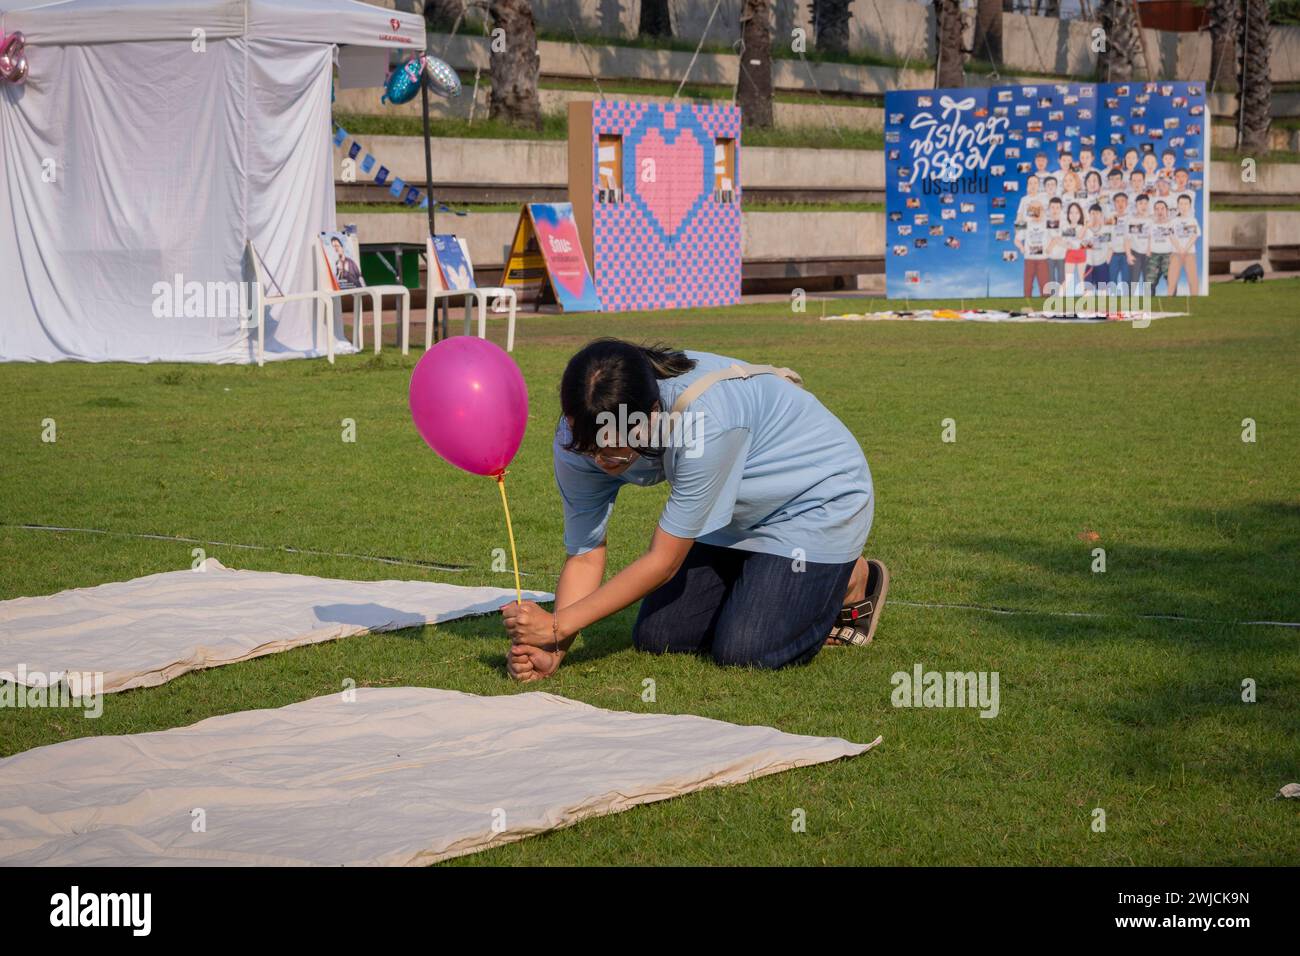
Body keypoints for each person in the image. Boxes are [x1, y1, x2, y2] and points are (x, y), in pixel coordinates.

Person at [502, 340, 887, 681]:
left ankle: (855, 578)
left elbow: (663, 562)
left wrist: (557, 624)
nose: (601, 460)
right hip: (734, 510)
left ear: (651, 414)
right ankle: (762, 572)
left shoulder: (702, 421)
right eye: (591, 448)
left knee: (747, 651)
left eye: (616, 448)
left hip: (814, 500)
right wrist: (553, 649)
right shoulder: (577, 437)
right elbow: (585, 554)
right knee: (659, 638)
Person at [1168, 193, 1200, 295]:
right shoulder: (1173, 221)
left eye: (1186, 204)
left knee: (1193, 280)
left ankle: (1195, 303)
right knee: (1172, 280)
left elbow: (1194, 236)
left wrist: (1185, 249)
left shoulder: (1193, 220)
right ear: (1178, 205)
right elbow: (1171, 236)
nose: (1183, 206)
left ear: (1190, 206)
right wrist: (1179, 249)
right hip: (1176, 254)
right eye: (1181, 204)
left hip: (1189, 253)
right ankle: (1168, 303)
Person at [1018, 201, 1050, 296]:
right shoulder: (1025, 224)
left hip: (1042, 259)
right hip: (1029, 259)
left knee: (1044, 283)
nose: (1036, 212)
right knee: (1028, 284)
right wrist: (1021, 247)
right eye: (1033, 210)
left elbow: (1056, 237)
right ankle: (1027, 306)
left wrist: (1050, 247)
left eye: (1039, 209)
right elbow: (1016, 239)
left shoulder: (1047, 224)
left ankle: (1046, 307)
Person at [1143, 199, 1175, 294]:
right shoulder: (1151, 224)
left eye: (1162, 208)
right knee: (1149, 281)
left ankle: (1173, 302)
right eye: (1157, 209)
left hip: (1168, 254)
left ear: (1167, 210)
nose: (1159, 211)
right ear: (1154, 211)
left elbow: (1175, 240)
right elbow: (1149, 238)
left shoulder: (1172, 224)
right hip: (1154, 255)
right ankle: (1150, 305)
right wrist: (1148, 251)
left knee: (1170, 278)